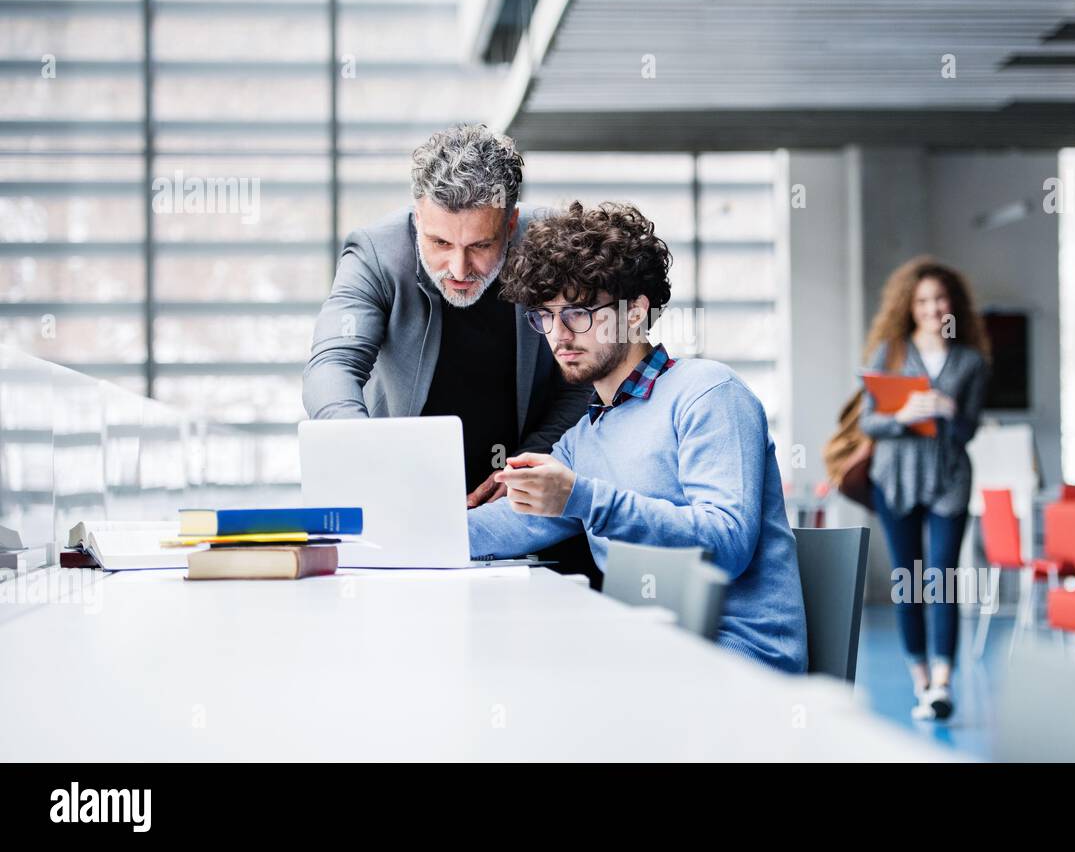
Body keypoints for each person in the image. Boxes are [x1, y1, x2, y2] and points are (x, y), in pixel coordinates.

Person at [467, 201, 808, 673]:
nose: (558, 334)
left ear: (634, 313)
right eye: (545, 314)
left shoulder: (708, 393)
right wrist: (402, 527)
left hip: (737, 660)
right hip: (652, 654)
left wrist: (583, 498)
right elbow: (506, 527)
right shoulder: (582, 439)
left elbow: (725, 546)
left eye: (580, 312)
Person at [302, 123, 594, 577]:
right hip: (403, 507)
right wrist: (365, 452)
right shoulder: (377, 253)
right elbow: (332, 365)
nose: (459, 268)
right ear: (418, 217)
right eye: (440, 243)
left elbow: (585, 377)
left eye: (481, 245)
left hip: (525, 512)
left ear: (510, 224)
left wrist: (531, 463)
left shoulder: (549, 246)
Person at [860, 256, 990, 719]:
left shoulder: (971, 361)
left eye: (939, 299)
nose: (933, 308)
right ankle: (919, 678)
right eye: (922, 301)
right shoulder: (891, 353)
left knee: (942, 581)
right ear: (909, 307)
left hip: (949, 482)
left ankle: (943, 683)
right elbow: (867, 423)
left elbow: (970, 429)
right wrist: (904, 416)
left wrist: (950, 411)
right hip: (895, 481)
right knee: (908, 583)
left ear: (951, 305)